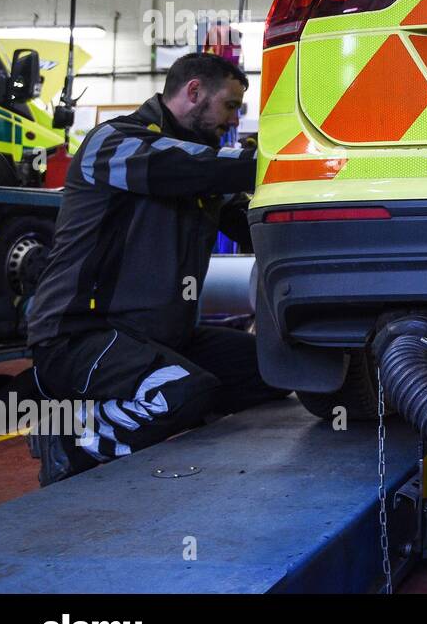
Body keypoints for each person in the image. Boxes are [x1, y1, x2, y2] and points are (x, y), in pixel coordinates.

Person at [26, 52, 287, 484]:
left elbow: (245, 224)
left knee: (273, 370)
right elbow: (179, 166)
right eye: (229, 106)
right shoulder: (112, 143)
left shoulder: (196, 168)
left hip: (162, 336)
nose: (233, 119)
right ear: (194, 91)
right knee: (183, 389)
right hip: (79, 336)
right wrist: (280, 163)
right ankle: (71, 439)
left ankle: (181, 418)